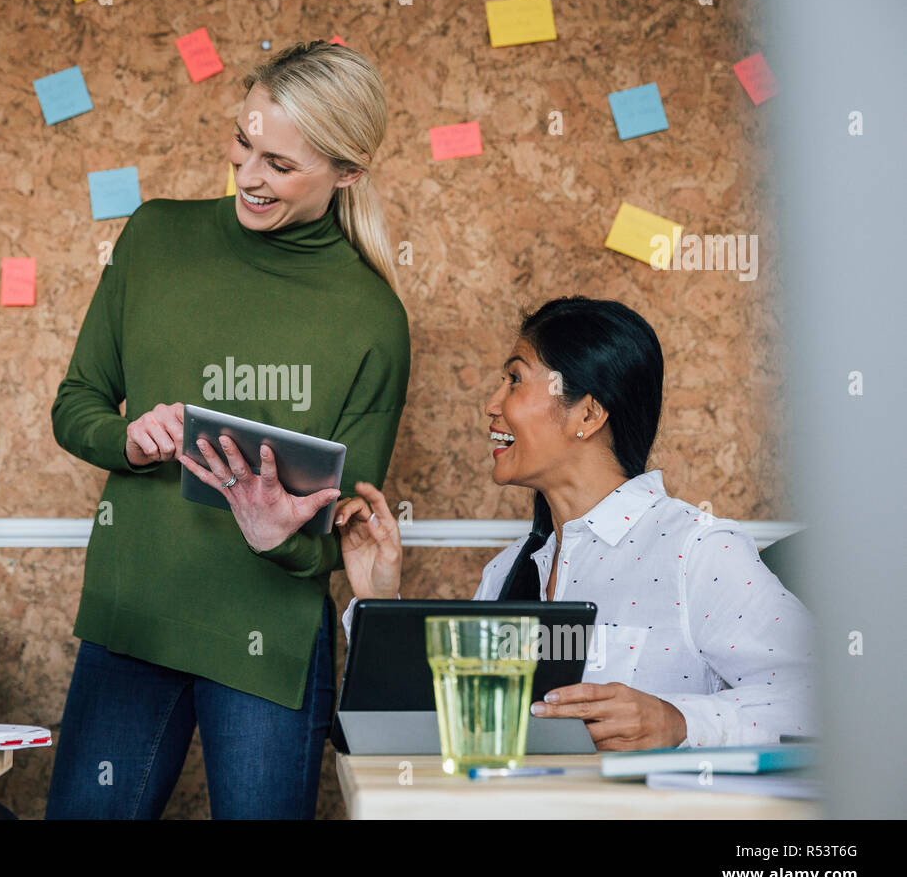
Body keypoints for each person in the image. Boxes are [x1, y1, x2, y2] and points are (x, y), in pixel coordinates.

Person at [46, 41, 410, 818]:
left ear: (346, 172)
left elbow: (342, 533)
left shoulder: (373, 318)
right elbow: (76, 402)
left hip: (268, 640)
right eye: (244, 144)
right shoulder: (154, 238)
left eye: (281, 164)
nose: (249, 176)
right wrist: (128, 440)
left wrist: (281, 536)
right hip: (132, 616)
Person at [334, 297, 816, 749]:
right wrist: (378, 604)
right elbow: (438, 729)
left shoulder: (698, 552)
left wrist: (678, 721)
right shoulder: (506, 573)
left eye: (515, 380)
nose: (492, 404)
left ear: (586, 413)